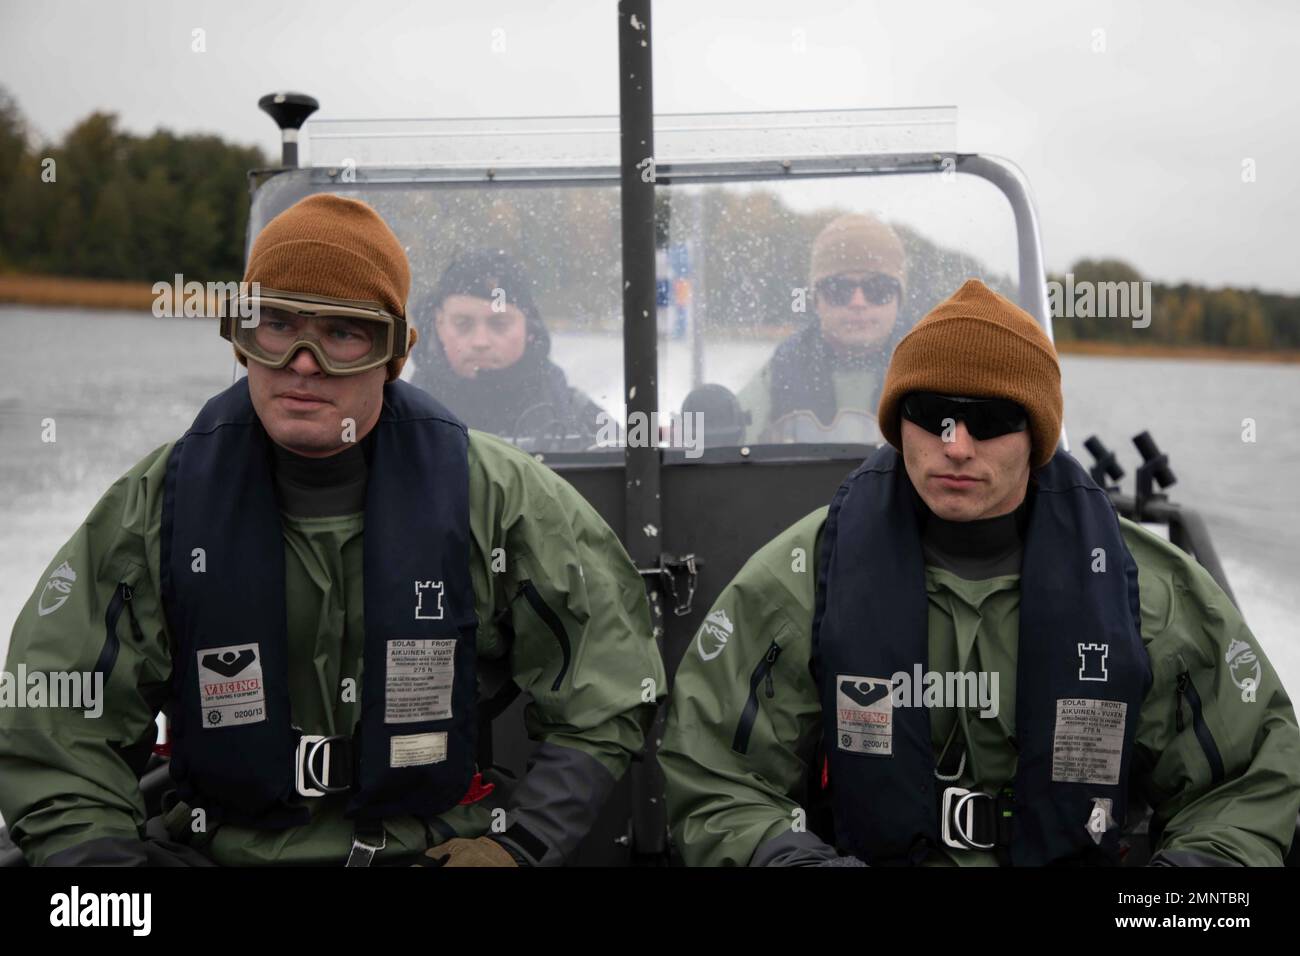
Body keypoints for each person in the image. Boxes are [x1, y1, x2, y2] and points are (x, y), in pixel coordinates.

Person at [0, 194, 665, 866]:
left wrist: (520, 844)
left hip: (428, 846)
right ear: (241, 338)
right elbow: (55, 721)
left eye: (344, 333)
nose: (305, 361)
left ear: (394, 353)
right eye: (277, 324)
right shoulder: (156, 508)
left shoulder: (496, 497)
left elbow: (609, 679)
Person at [661, 278, 1300, 866]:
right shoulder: (802, 579)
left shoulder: (1147, 592)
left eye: (991, 419)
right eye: (932, 413)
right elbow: (716, 772)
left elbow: (1248, 785)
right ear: (896, 422)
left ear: (1037, 434)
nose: (957, 444)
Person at [412, 248, 606, 451]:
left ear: (529, 327)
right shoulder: (394, 418)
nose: (481, 341)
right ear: (438, 324)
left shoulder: (579, 418)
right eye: (463, 323)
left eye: (499, 324)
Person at [737, 213, 907, 445]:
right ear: (816, 299)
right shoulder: (783, 368)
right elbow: (726, 437)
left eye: (878, 288)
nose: (858, 302)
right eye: (839, 289)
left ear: (899, 298)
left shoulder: (931, 371)